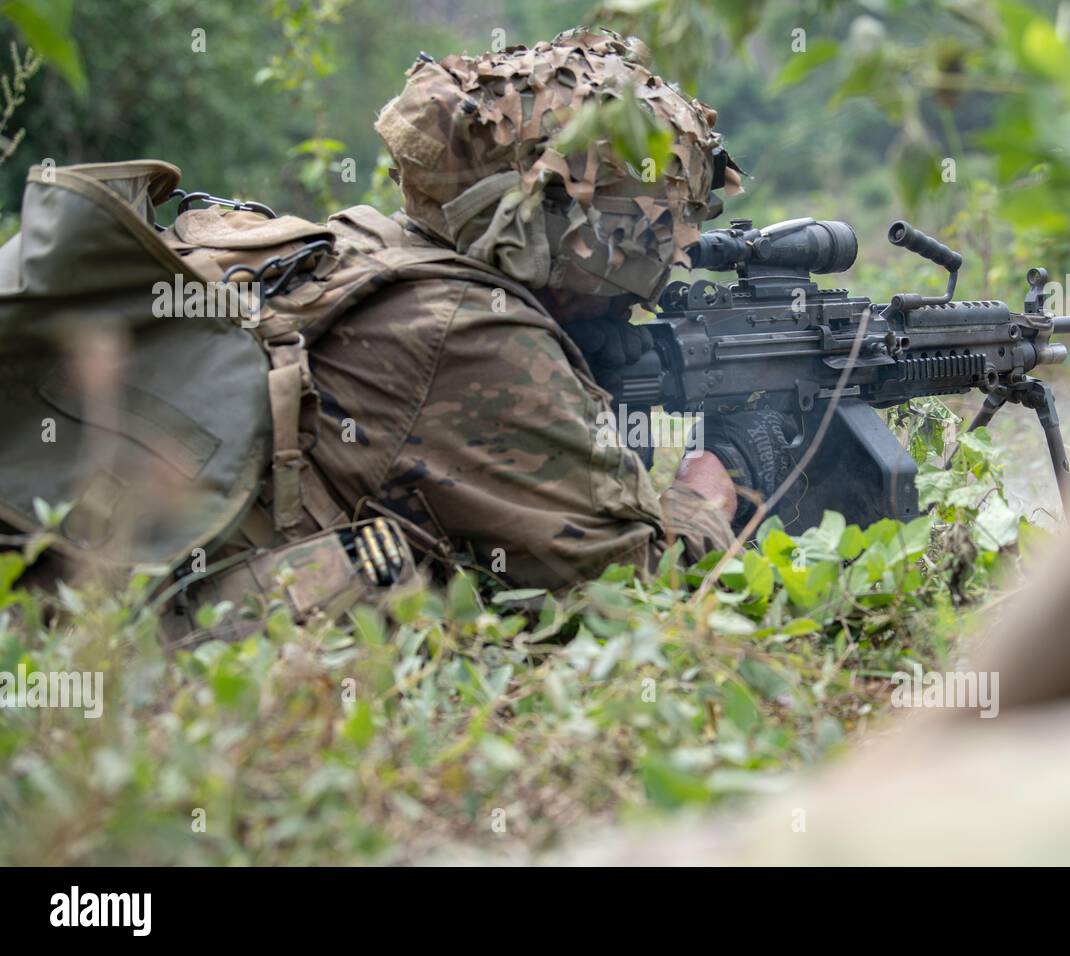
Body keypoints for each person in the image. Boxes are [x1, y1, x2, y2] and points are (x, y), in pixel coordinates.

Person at [301, 28, 753, 589]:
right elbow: (625, 589)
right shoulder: (476, 337)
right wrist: (704, 496)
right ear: (564, 248)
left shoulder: (360, 247)